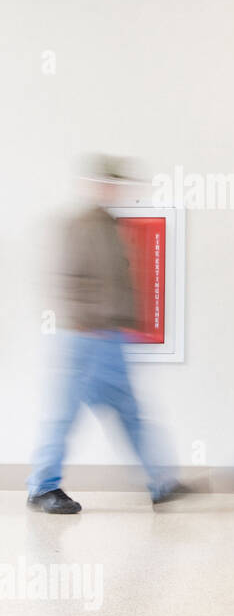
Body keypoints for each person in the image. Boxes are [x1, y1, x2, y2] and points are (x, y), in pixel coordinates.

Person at [27, 156, 182, 513]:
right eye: (110, 184)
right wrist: (87, 322)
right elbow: (63, 280)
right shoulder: (78, 226)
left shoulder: (112, 227)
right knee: (64, 412)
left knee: (129, 411)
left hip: (111, 338)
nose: (117, 191)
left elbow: (118, 285)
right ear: (96, 185)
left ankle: (161, 480)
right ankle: (42, 487)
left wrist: (130, 324)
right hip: (84, 337)